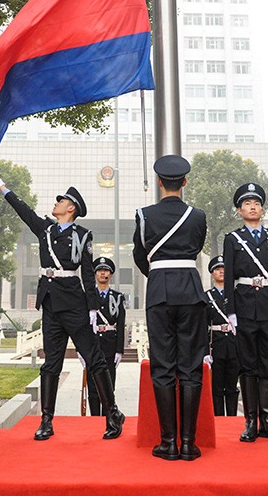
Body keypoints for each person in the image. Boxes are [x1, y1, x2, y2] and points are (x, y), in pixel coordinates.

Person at [0, 170, 124, 441]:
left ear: (70, 208)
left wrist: (93, 309)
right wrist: (3, 187)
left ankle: (112, 412)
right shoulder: (44, 229)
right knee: (51, 364)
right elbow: (24, 211)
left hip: (75, 304)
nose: (56, 203)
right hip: (50, 304)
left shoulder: (84, 235)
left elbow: (86, 273)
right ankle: (47, 420)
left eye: (61, 201)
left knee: (94, 360)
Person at [133, 155, 208, 461]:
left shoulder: (143, 214)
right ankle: (189, 443)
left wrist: (157, 272)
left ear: (160, 183)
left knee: (163, 365)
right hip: (191, 288)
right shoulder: (198, 216)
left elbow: (140, 254)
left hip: (160, 288)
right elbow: (197, 247)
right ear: (185, 183)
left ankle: (169, 443)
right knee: (190, 365)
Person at [222, 183, 268, 442]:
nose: (253, 207)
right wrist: (230, 311)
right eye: (247, 203)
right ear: (239, 210)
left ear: (262, 208)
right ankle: (251, 421)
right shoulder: (232, 239)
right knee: (248, 365)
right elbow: (228, 277)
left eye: (257, 203)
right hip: (244, 307)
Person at [85, 257, 126, 416]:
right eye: (100, 271)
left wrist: (119, 350)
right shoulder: (88, 296)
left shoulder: (118, 297)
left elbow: (121, 324)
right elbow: (83, 324)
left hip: (110, 344)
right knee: (93, 385)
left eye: (106, 270)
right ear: (95, 275)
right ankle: (94, 418)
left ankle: (107, 418)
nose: (103, 273)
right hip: (93, 345)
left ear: (111, 275)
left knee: (109, 385)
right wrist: (82, 350)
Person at [204, 256, 239, 416]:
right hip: (216, 345)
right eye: (217, 269)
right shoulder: (207, 297)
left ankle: (232, 418)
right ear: (212, 273)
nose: (221, 272)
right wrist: (205, 352)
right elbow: (203, 327)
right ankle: (218, 418)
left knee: (232, 385)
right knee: (216, 386)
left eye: (224, 269)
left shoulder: (236, 295)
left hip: (234, 344)